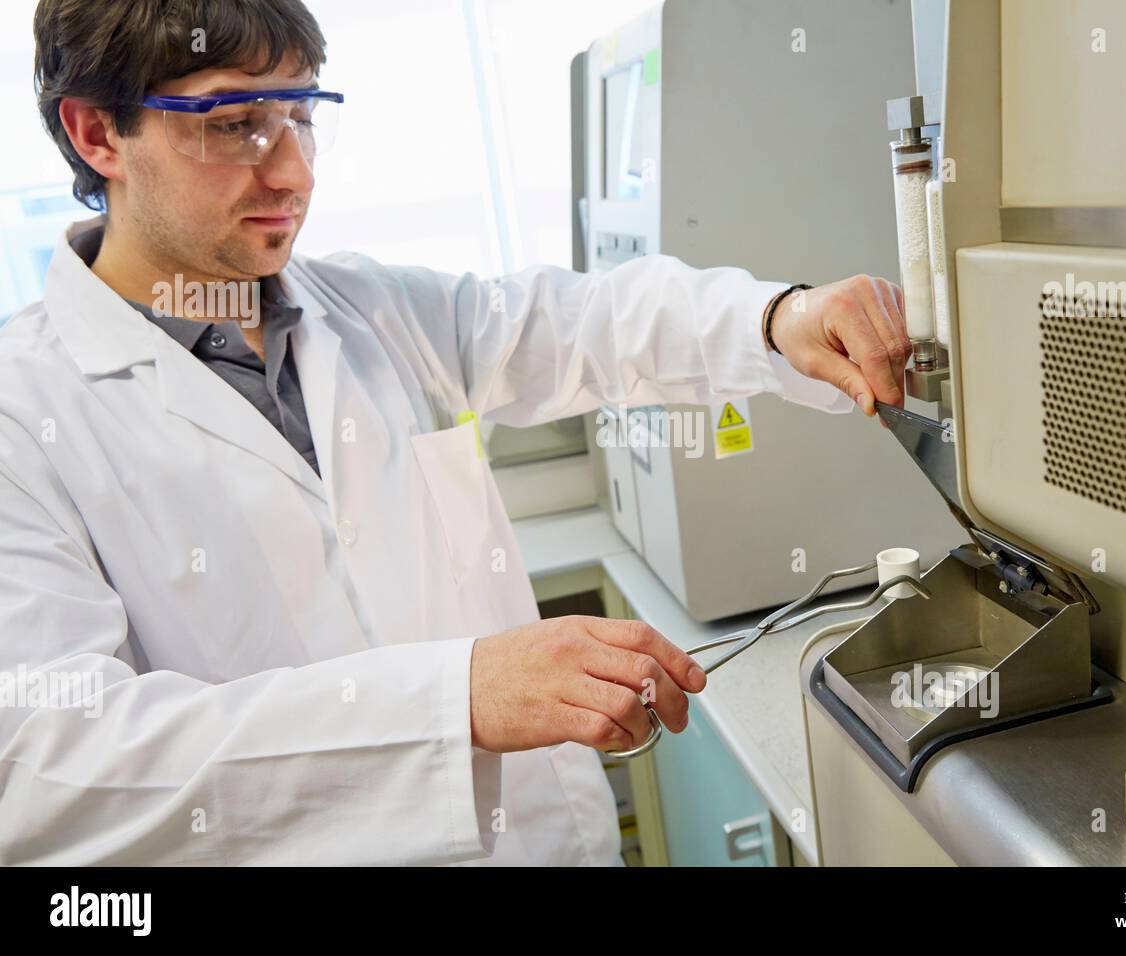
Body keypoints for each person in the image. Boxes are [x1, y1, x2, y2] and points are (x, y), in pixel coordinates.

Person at [0, 0, 911, 865]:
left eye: (301, 113)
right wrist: (453, 700)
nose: (294, 171)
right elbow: (53, 774)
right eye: (233, 122)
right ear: (96, 133)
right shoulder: (24, 419)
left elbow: (578, 323)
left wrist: (775, 319)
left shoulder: (365, 310)